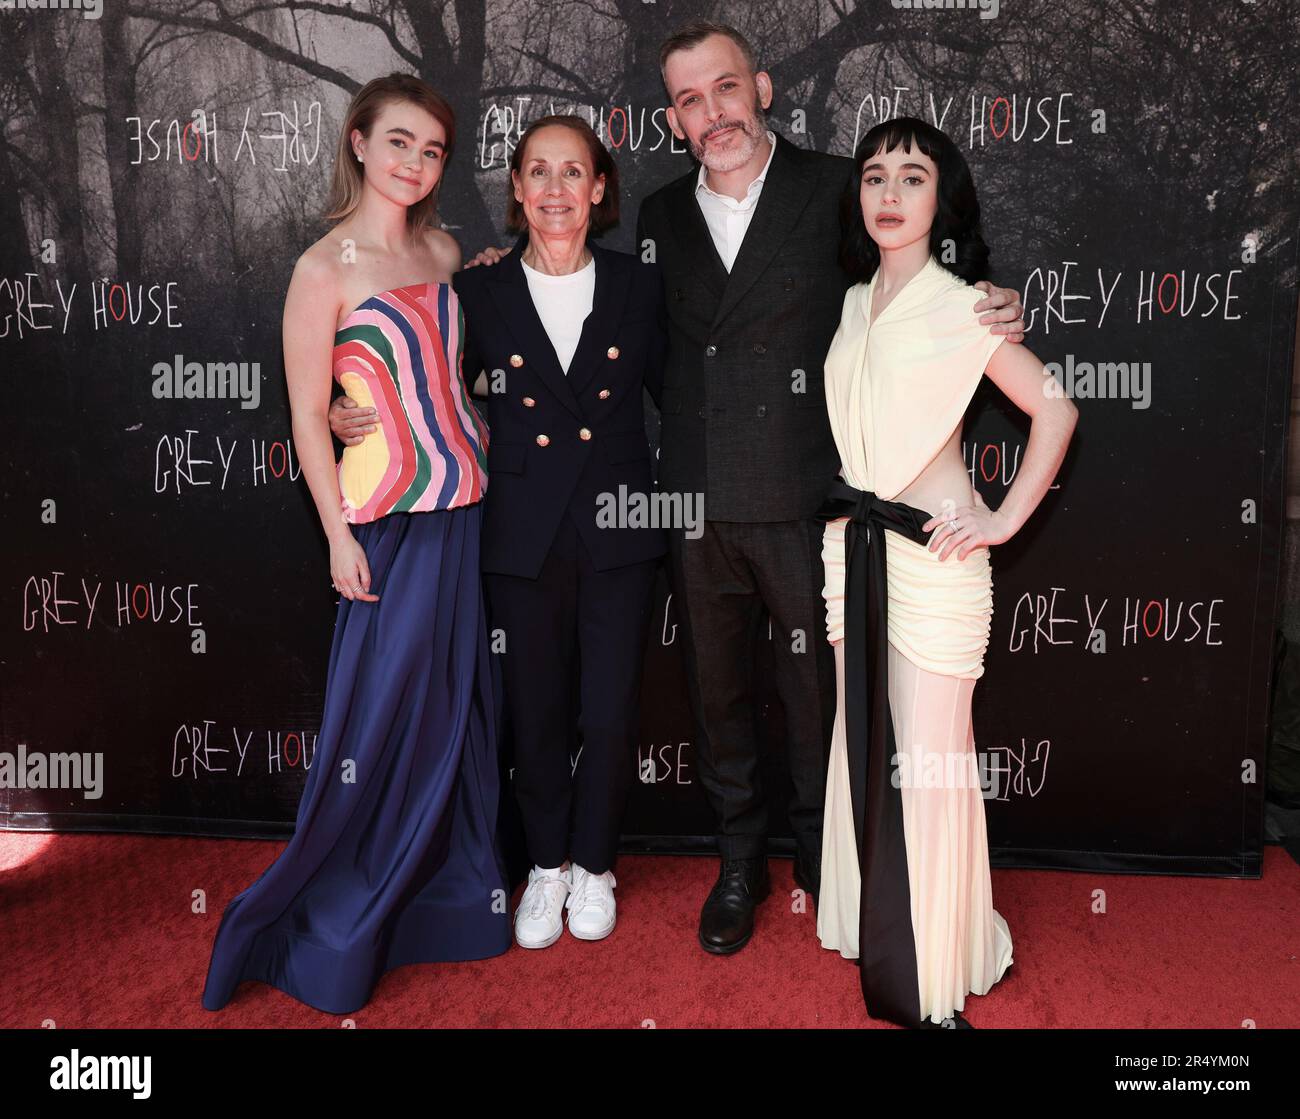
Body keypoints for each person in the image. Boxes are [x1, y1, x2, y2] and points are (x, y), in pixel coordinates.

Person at [634, 21, 1027, 955]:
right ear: (674, 119)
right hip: (696, 498)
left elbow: (909, 285)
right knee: (718, 695)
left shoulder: (833, 188)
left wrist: (992, 300)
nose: (712, 112)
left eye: (725, 88)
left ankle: (827, 858)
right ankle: (739, 862)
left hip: (813, 497)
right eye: (689, 100)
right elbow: (646, 348)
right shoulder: (657, 215)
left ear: (762, 88)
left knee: (820, 695)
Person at [202, 74, 509, 1015]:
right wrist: (338, 534)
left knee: (453, 704)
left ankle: (445, 895)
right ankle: (334, 915)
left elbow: (449, 372)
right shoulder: (320, 269)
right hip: (383, 519)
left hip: (462, 509)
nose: (416, 163)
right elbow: (307, 414)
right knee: (380, 716)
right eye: (400, 142)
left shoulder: (445, 251)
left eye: (433, 150)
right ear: (360, 143)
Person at [331, 115, 668, 949]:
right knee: (536, 709)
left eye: (573, 172)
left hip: (621, 527)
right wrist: (351, 410)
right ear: (516, 189)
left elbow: (684, 395)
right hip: (520, 533)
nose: (555, 189)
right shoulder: (478, 291)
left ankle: (596, 864)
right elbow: (428, 390)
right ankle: (547, 865)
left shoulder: (640, 284)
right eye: (537, 172)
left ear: (599, 188)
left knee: (610, 712)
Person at [816, 116, 1078, 1028]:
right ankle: (867, 919)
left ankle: (930, 972)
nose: (890, 193)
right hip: (851, 552)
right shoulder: (853, 302)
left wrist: (1001, 519)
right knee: (860, 741)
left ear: (944, 199)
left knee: (927, 761)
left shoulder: (966, 305)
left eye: (913, 177)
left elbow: (1057, 410)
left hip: (935, 563)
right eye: (875, 176)